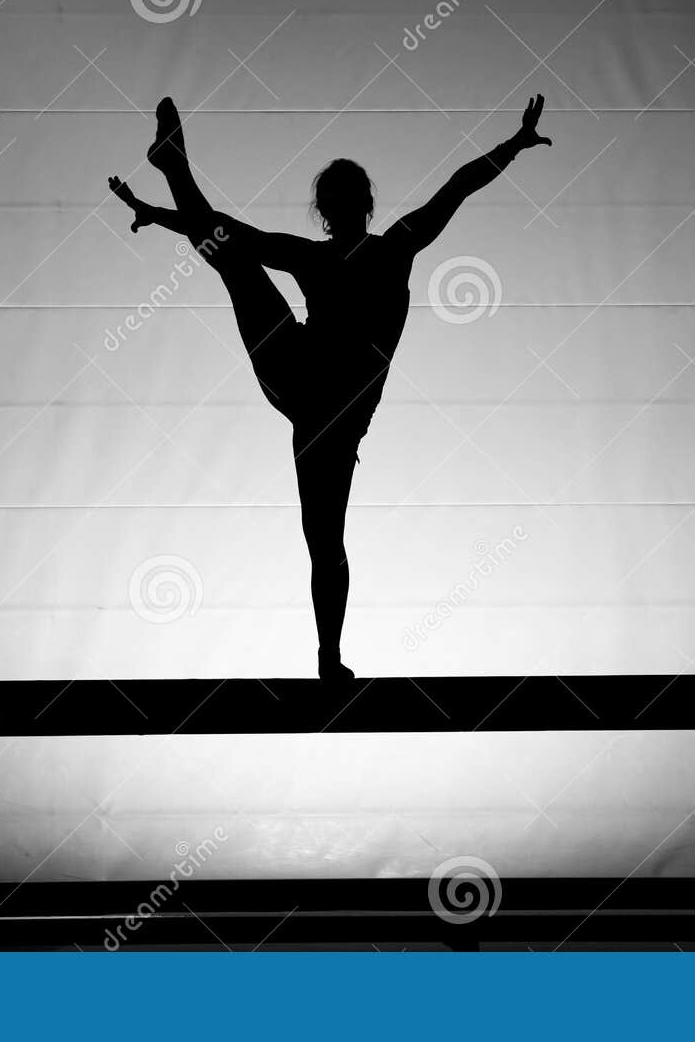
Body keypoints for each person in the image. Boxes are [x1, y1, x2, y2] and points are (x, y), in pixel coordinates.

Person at [110, 95, 551, 679]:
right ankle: (328, 659)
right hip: (328, 408)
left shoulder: (317, 257)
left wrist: (162, 211)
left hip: (305, 388)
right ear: (364, 207)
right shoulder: (394, 247)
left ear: (327, 210)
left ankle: (176, 167)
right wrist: (514, 146)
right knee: (326, 545)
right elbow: (457, 187)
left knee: (234, 258)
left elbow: (227, 233)